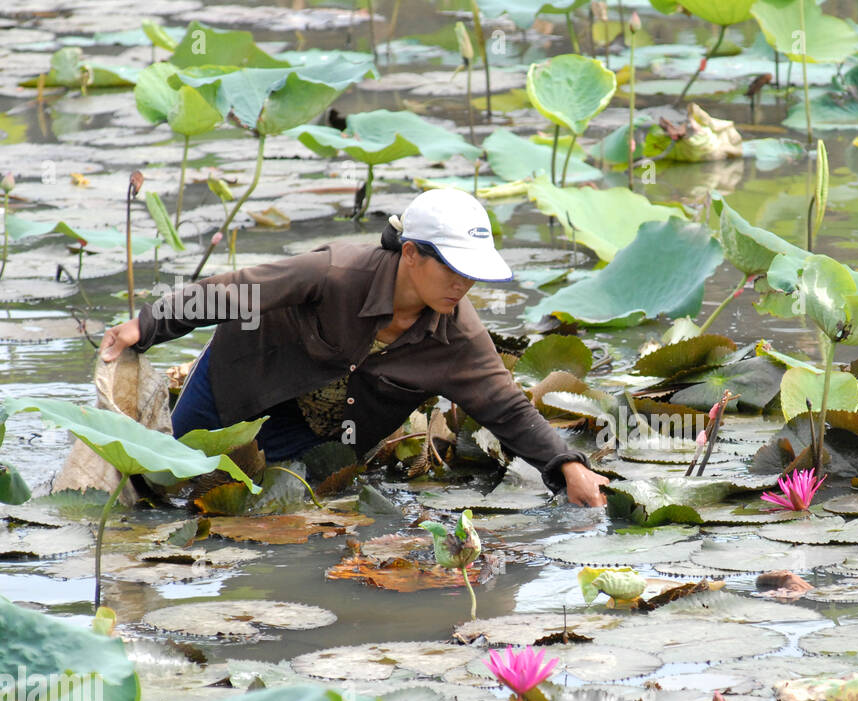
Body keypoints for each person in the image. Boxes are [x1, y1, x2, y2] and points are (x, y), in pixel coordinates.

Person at [99, 188, 607, 506]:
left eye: (472, 273)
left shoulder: (459, 335)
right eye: (452, 268)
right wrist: (148, 324)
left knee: (270, 513)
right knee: (167, 484)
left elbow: (507, 408)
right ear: (411, 254)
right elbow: (237, 290)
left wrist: (566, 467)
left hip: (318, 436)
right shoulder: (336, 272)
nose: (463, 285)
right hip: (239, 387)